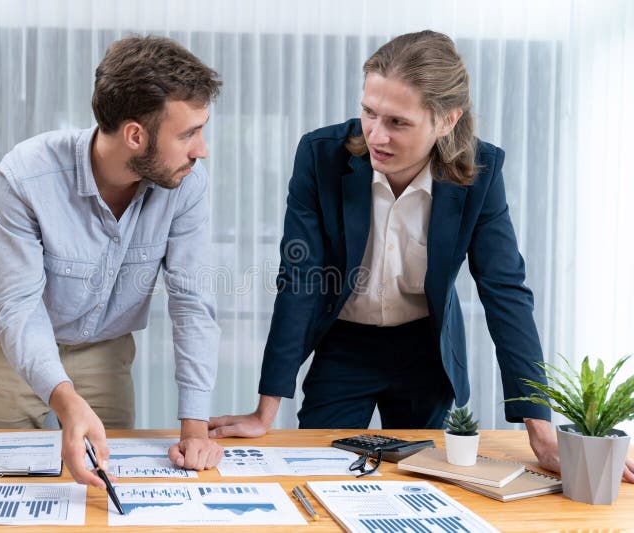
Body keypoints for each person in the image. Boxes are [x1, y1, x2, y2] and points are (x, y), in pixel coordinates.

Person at [210, 29, 567, 475]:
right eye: (369, 112)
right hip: (344, 342)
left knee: (418, 482)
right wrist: (265, 411)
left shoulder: (481, 172)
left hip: (425, 349)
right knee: (319, 472)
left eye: (398, 122)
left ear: (447, 120)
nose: (376, 135)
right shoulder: (322, 156)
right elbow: (300, 280)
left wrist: (541, 429)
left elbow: (505, 291)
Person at [0, 35, 224, 488]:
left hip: (105, 352)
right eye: (188, 133)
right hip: (13, 351)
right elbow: (20, 305)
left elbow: (192, 301)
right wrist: (65, 399)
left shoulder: (188, 185)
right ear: (135, 135)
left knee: (105, 486)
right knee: (4, 485)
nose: (200, 149)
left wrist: (194, 427)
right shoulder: (27, 175)